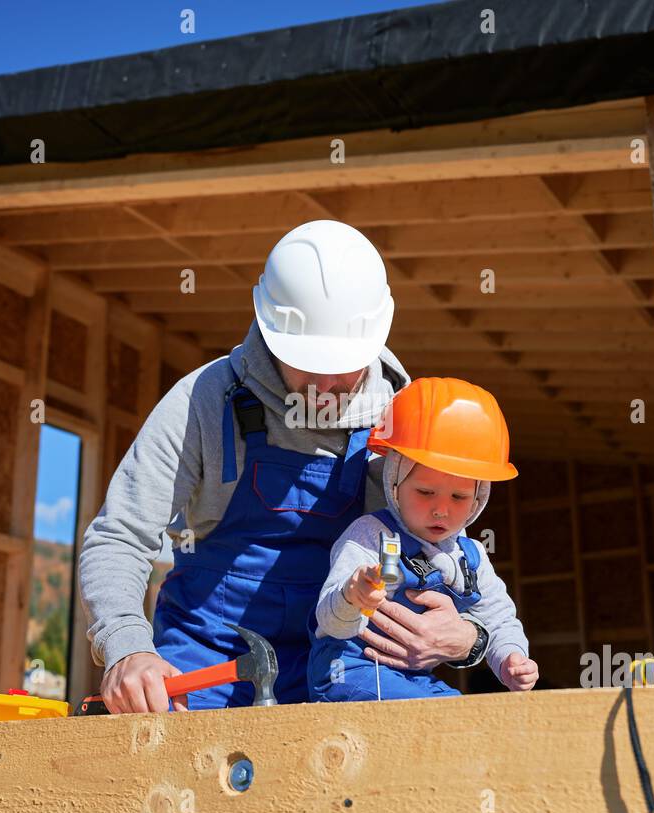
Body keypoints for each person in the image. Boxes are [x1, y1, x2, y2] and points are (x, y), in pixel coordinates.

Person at [79, 220, 487, 712]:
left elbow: (453, 556)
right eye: (307, 361)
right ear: (270, 334)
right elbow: (118, 536)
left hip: (349, 673)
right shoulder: (205, 401)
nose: (325, 383)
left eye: (343, 365)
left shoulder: (407, 420)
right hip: (205, 669)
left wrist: (471, 638)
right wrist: (127, 648)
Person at [309, 377, 539, 701]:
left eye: (459, 497)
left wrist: (511, 658)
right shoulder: (370, 535)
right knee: (434, 715)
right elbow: (329, 620)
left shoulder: (470, 557)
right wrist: (352, 596)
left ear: (479, 499)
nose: (441, 510)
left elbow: (498, 617)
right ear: (393, 485)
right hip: (351, 671)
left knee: (465, 716)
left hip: (412, 678)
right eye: (426, 492)